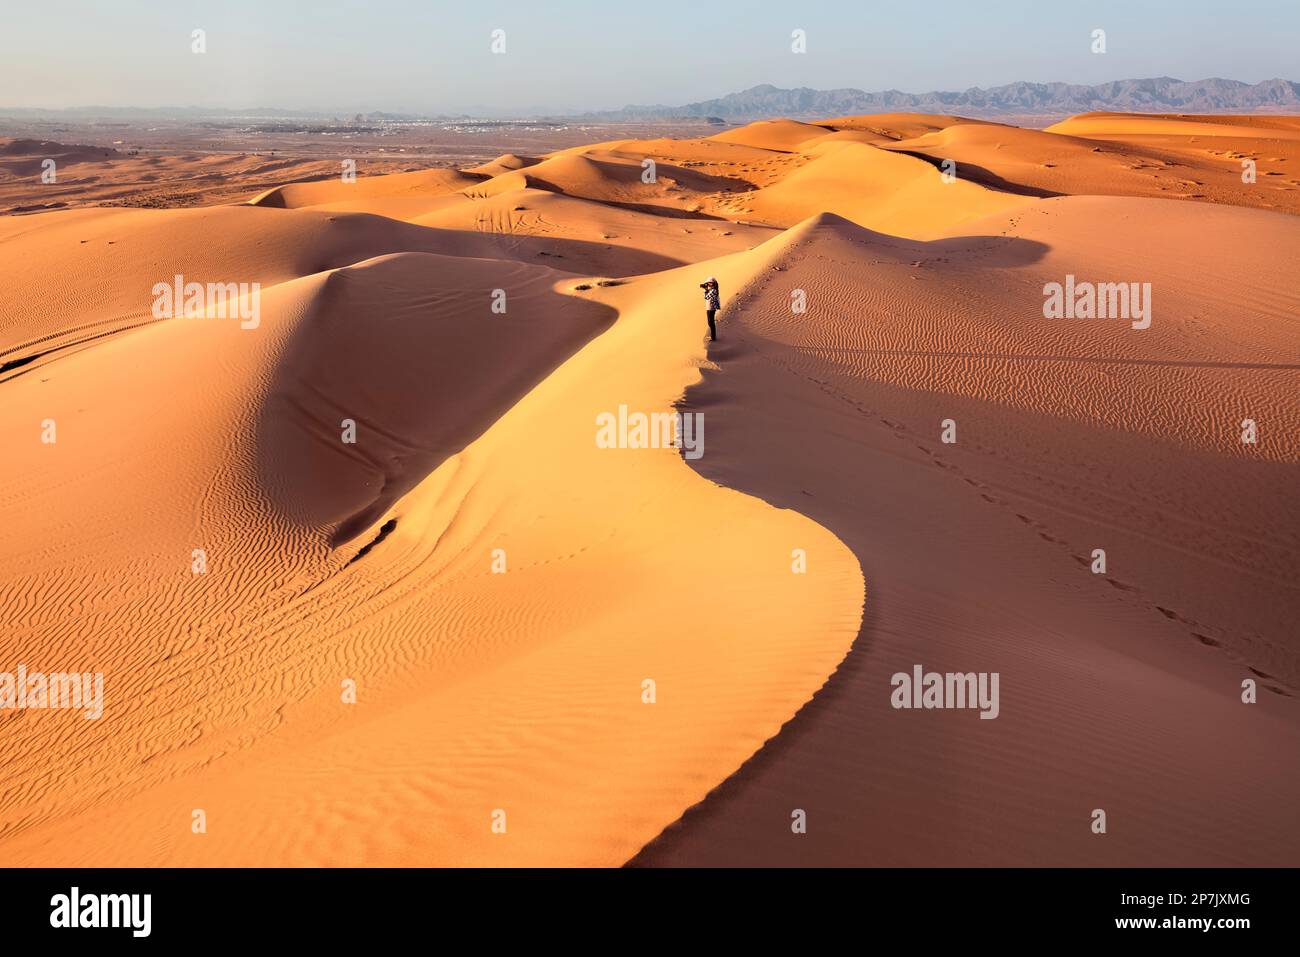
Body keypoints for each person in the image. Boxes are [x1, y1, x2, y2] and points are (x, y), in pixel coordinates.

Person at [699, 277, 720, 341]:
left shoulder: (713, 290)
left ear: (714, 283)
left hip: (711, 308)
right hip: (709, 308)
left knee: (711, 323)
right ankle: (713, 336)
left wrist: (706, 290)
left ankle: (713, 337)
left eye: (711, 283)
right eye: (708, 283)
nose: (709, 284)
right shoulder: (711, 289)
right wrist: (707, 289)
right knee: (710, 323)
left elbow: (706, 297)